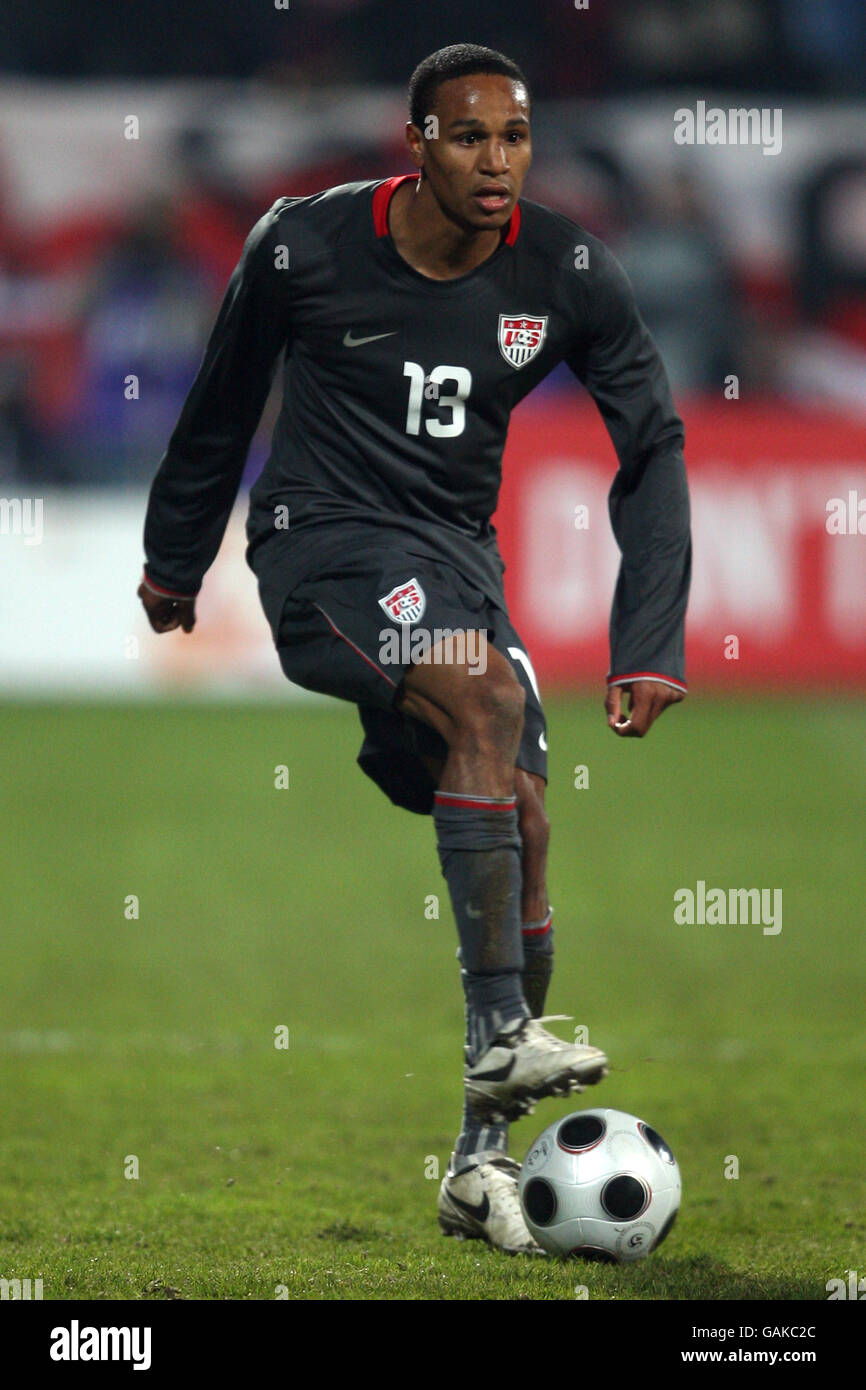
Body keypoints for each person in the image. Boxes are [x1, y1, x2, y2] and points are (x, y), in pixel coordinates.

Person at [139, 44, 690, 1256]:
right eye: (469, 136)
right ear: (417, 144)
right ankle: (502, 1027)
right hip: (318, 549)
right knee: (485, 697)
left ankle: (475, 1170)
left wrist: (647, 635)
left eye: (516, 136)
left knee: (531, 816)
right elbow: (220, 402)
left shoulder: (567, 271)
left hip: (454, 564)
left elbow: (650, 442)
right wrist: (175, 559)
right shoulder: (303, 247)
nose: (498, 160)